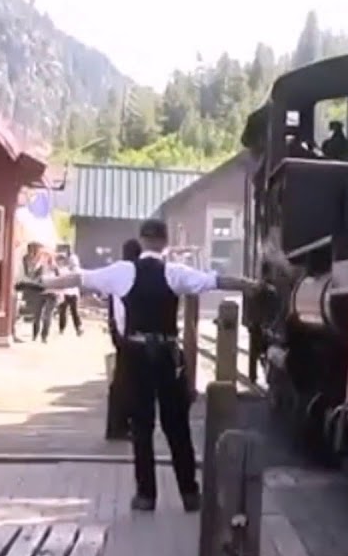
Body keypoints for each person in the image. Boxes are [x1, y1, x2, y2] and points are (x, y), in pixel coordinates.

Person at [24, 219, 264, 512]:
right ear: (165, 241)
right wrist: (253, 286)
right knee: (177, 426)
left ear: (141, 239)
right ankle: (189, 493)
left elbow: (78, 278)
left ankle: (146, 495)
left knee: (142, 426)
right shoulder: (175, 272)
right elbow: (216, 280)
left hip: (134, 355)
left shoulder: (122, 271)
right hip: (166, 354)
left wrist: (41, 283)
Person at [104, 239, 142, 441]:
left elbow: (113, 304)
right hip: (128, 334)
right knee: (126, 381)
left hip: (119, 332)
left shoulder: (116, 272)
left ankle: (119, 424)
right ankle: (119, 426)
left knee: (121, 379)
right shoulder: (132, 274)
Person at [32, 253, 60, 343]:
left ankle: (44, 336)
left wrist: (59, 293)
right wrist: (38, 265)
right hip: (40, 292)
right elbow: (33, 276)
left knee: (47, 316)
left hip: (52, 293)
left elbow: (60, 280)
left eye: (47, 256)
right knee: (37, 315)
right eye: (44, 256)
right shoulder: (40, 267)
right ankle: (35, 334)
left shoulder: (55, 268)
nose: (46, 258)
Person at [56, 253, 84, 336]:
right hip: (64, 293)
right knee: (63, 312)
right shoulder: (63, 269)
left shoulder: (75, 270)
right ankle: (62, 329)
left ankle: (78, 328)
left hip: (73, 293)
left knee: (74, 312)